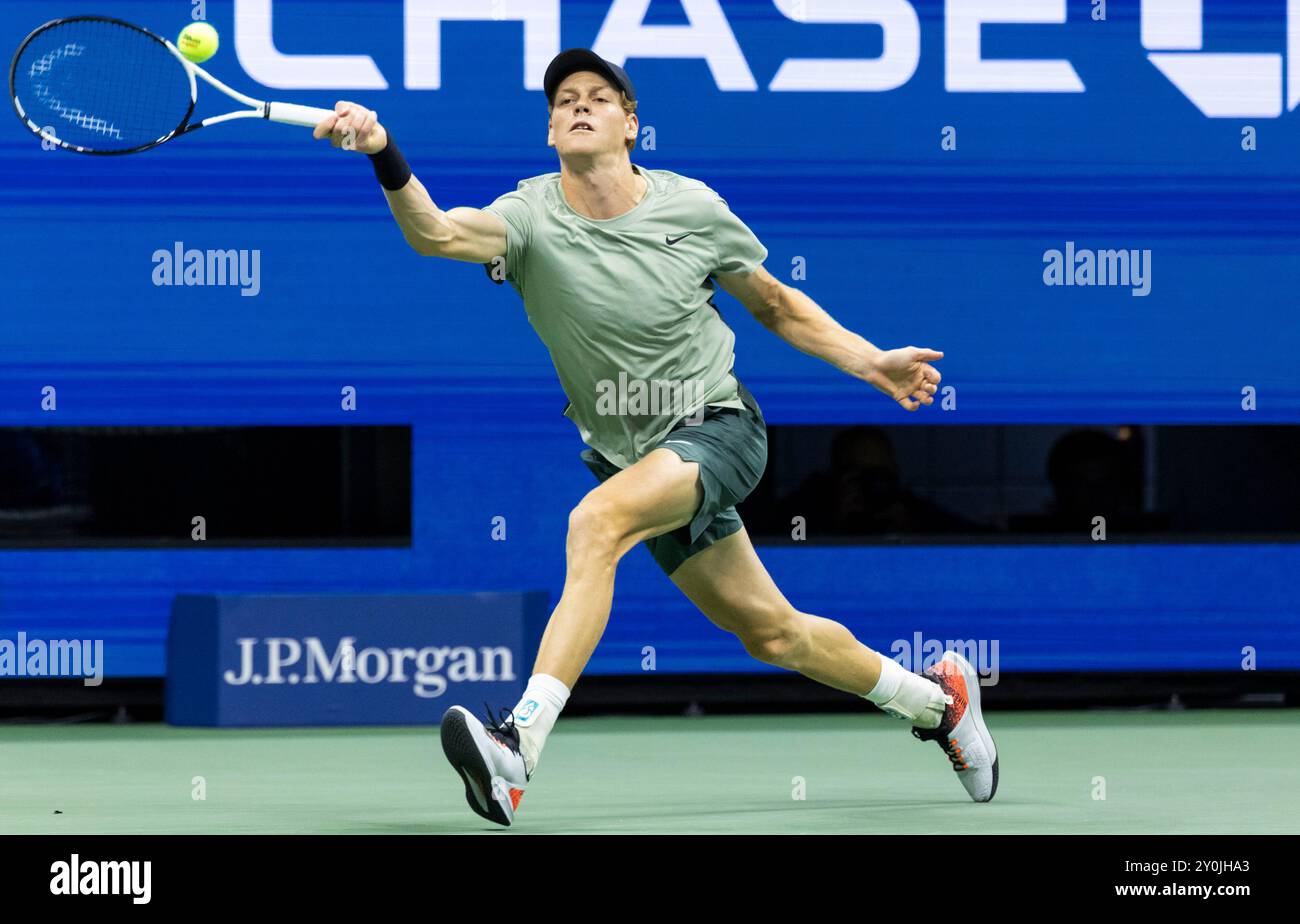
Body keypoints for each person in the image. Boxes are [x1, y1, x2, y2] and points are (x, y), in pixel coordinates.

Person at [314, 49, 997, 826]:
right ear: (549, 130)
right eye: (564, 99)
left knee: (595, 523)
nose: (579, 105)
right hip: (634, 455)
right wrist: (383, 153)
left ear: (630, 125)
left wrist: (871, 360)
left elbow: (773, 305)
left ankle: (518, 750)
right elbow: (435, 234)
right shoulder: (528, 218)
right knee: (773, 634)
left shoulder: (693, 207)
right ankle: (937, 704)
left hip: (718, 427)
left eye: (598, 98)